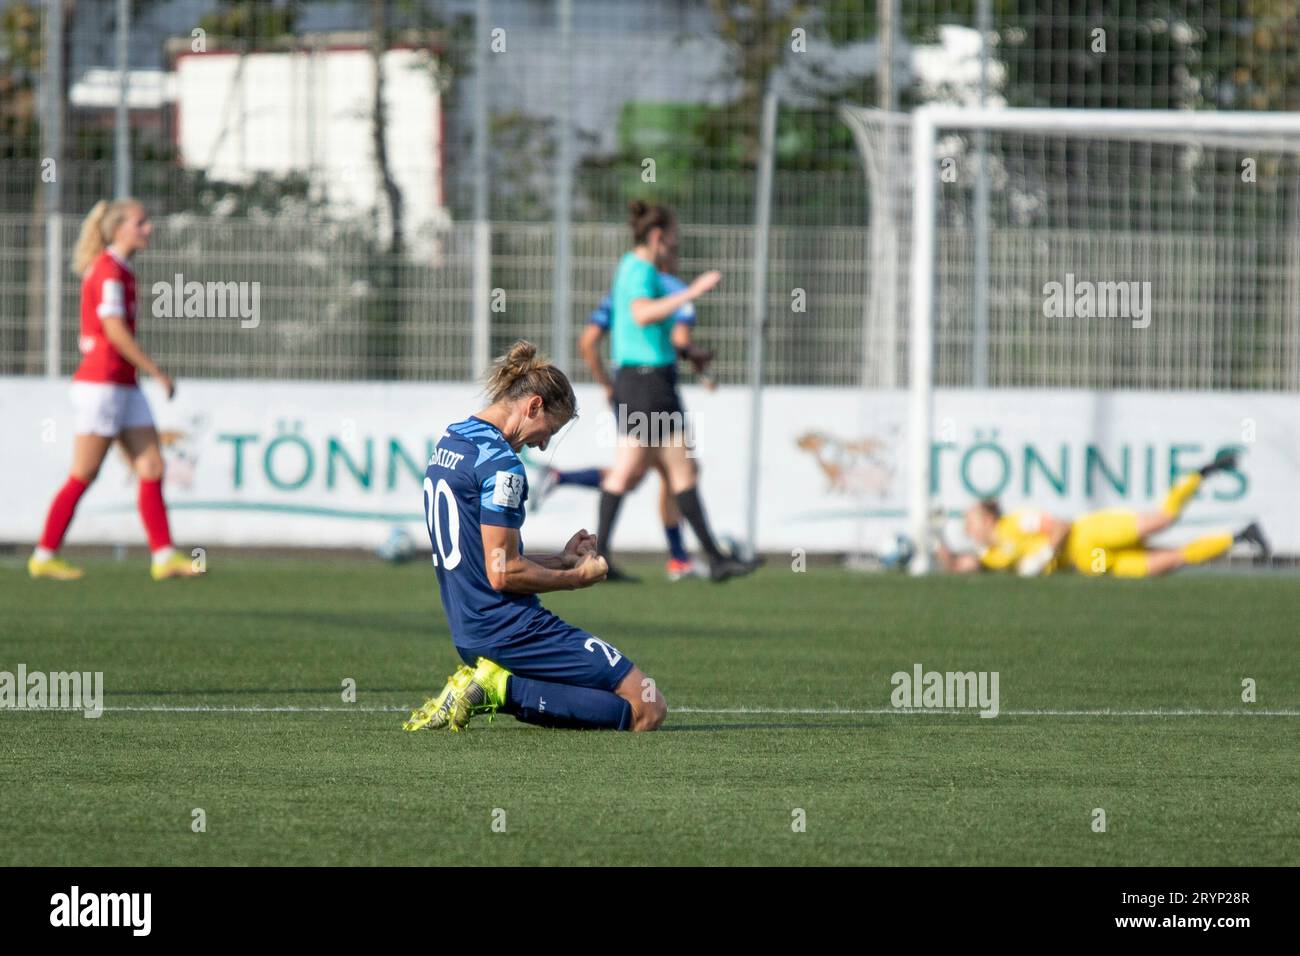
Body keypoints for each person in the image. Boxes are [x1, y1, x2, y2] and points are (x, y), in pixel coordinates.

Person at [404, 341, 666, 733]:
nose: (543, 443)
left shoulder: (453, 439)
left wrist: (560, 560)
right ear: (533, 406)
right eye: (550, 430)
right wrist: (577, 579)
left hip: (470, 629)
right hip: (510, 629)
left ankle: (500, 686)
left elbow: (486, 559)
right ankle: (502, 689)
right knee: (647, 706)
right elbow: (504, 574)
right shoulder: (503, 467)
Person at [29, 198, 200, 582]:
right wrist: (155, 370)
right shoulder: (108, 270)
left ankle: (164, 556)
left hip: (123, 385)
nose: (148, 228)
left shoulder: (121, 270)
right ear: (119, 228)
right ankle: (44, 554)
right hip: (102, 386)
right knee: (84, 472)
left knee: (152, 465)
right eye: (141, 222)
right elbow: (114, 330)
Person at [594, 198, 758, 583]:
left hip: (651, 379)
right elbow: (641, 314)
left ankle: (714, 559)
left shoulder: (636, 267)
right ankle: (601, 560)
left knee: (676, 469)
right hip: (646, 382)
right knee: (635, 470)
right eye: (672, 241)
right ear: (656, 237)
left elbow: (648, 329)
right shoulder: (639, 268)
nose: (674, 248)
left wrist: (689, 352)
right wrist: (692, 291)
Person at [936, 452, 1269, 577]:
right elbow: (963, 566)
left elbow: (1061, 526)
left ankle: (1199, 473)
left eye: (970, 522)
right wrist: (938, 547)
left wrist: (1044, 555)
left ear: (988, 519)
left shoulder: (1015, 523)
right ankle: (1242, 536)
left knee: (1164, 520)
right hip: (1094, 562)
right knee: (1172, 560)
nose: (968, 530)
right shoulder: (994, 555)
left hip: (1092, 533)